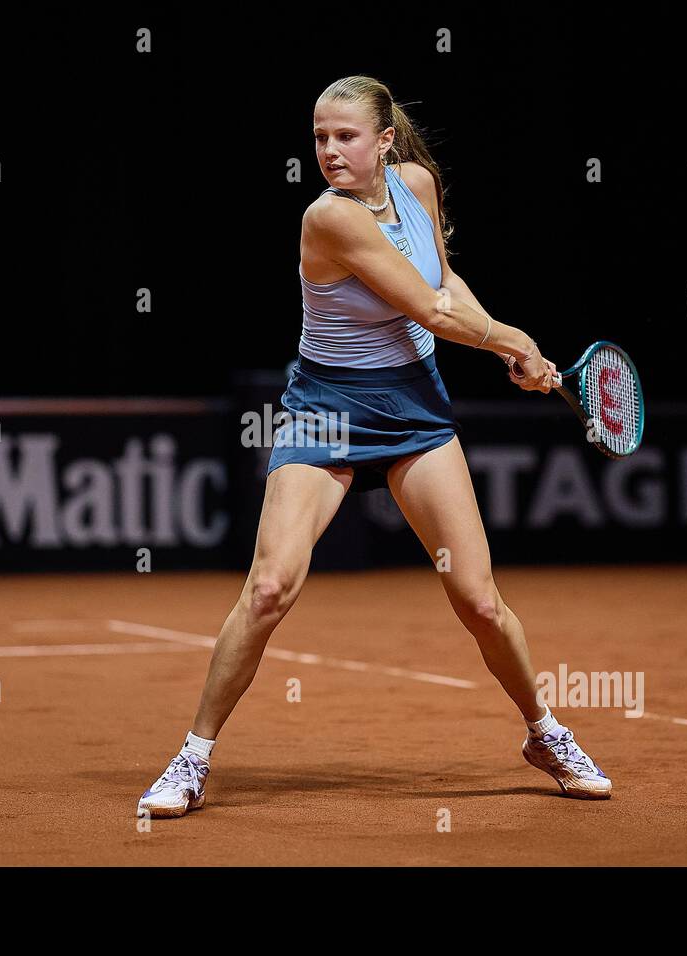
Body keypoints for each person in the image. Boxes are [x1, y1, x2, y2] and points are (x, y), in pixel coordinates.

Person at [138, 75, 611, 818]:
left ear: (385, 140)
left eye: (345, 136)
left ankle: (545, 734)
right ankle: (192, 758)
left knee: (480, 602)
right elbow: (422, 307)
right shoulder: (329, 219)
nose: (328, 150)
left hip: (413, 408)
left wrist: (505, 347)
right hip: (324, 412)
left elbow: (447, 286)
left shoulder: (417, 185)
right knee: (269, 588)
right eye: (320, 137)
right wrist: (515, 341)